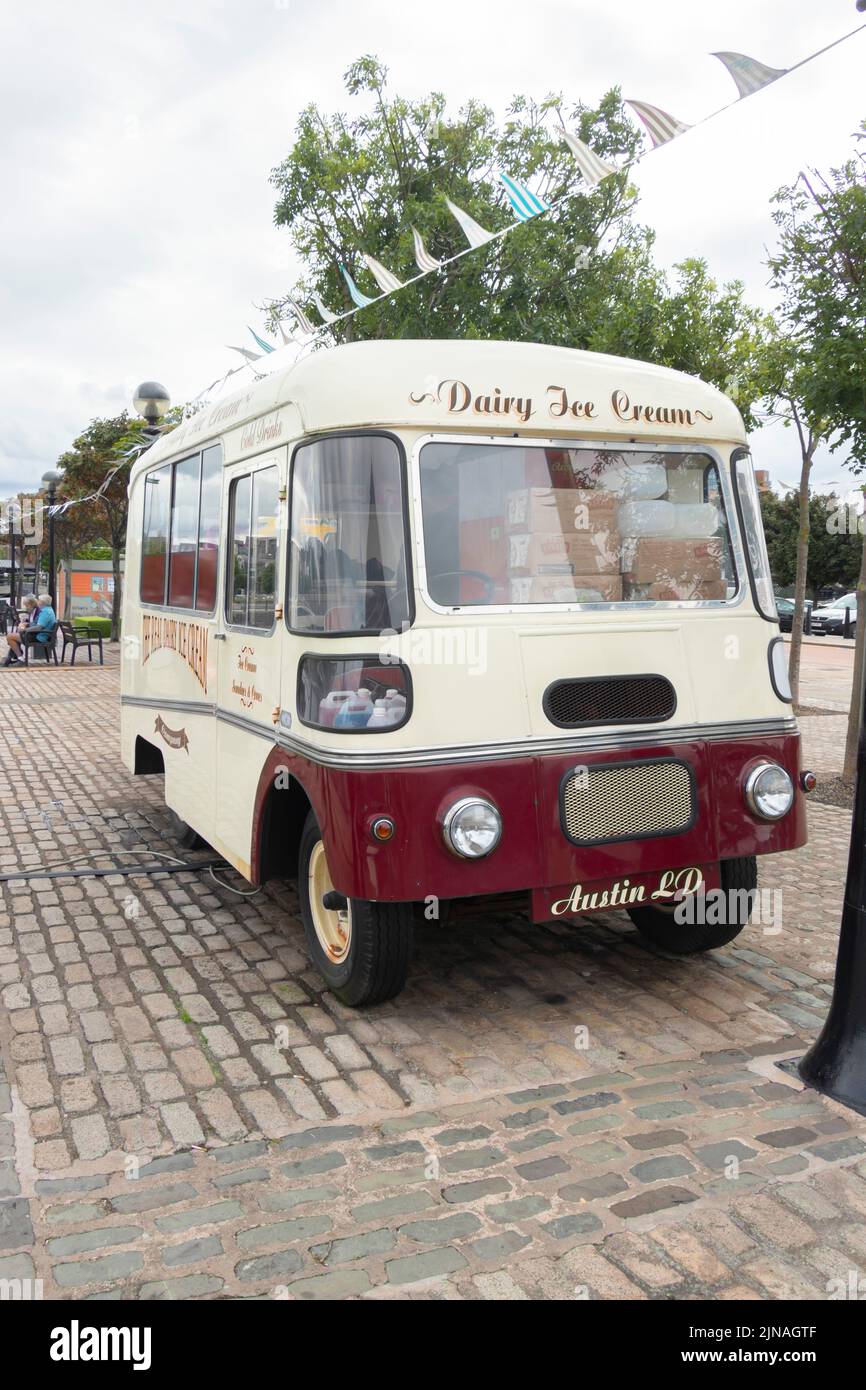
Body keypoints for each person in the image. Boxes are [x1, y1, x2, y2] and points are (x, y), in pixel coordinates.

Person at [3, 593, 55, 666]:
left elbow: (39, 627)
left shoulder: (45, 612)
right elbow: (36, 624)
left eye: (39, 600)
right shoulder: (47, 610)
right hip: (38, 635)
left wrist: (25, 630)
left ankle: (20, 658)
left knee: (10, 636)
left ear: (43, 602)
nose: (37, 602)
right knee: (15, 635)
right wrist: (26, 625)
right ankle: (12, 657)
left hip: (39, 637)